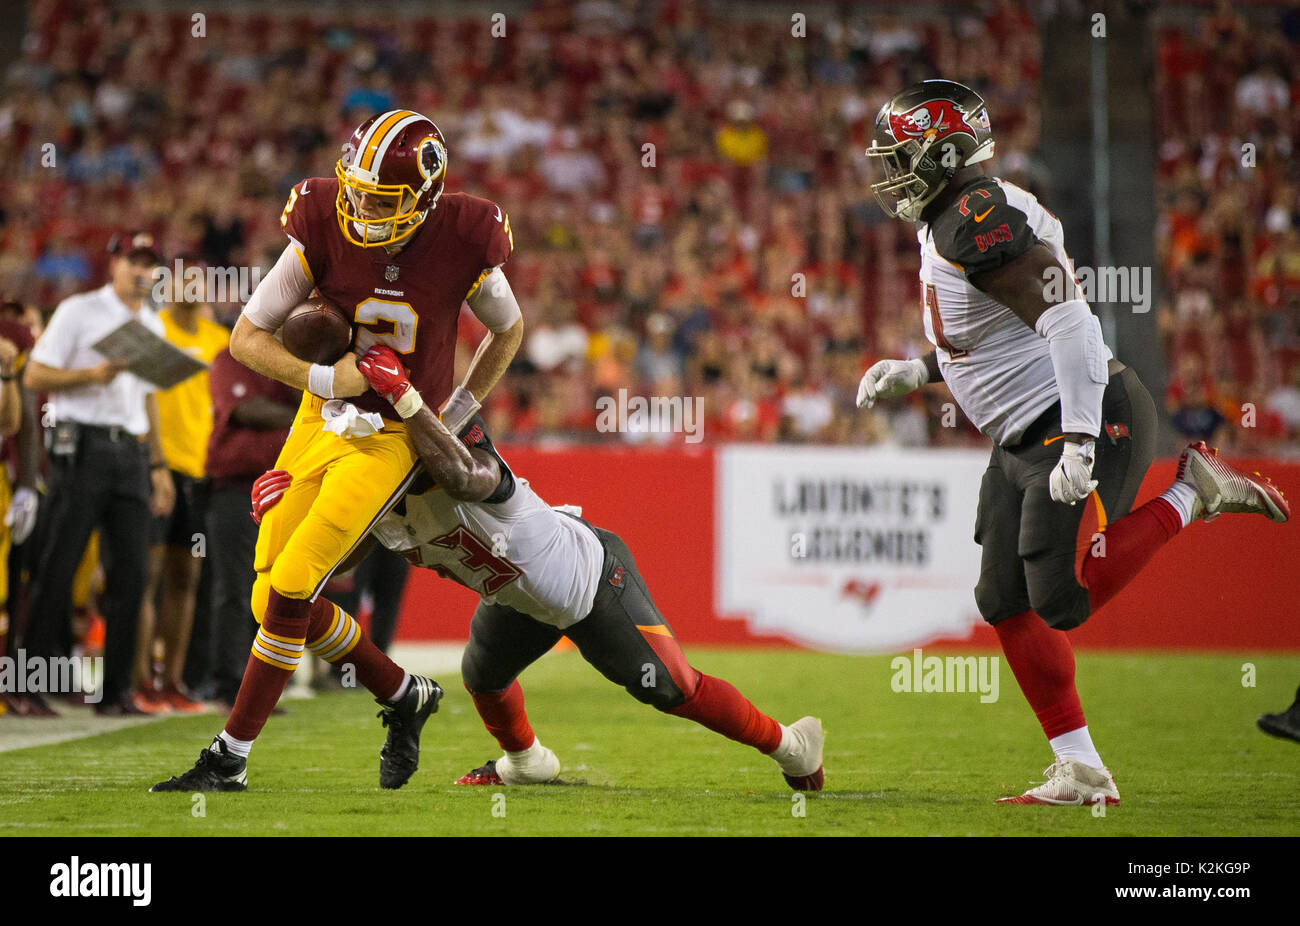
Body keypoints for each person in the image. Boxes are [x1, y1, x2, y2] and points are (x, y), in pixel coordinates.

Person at [857, 79, 1289, 805]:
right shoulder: (954, 218)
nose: (889, 172)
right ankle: (1081, 766)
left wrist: (1082, 440)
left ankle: (1192, 493)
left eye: (901, 155)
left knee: (1062, 597)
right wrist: (920, 370)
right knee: (1004, 598)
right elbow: (993, 335)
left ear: (945, 153)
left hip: (1081, 413)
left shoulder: (975, 215)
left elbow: (1072, 323)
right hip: (1028, 427)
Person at [251, 344, 826, 791]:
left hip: (590, 581)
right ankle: (527, 762)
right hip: (515, 599)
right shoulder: (372, 494)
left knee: (672, 688)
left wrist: (408, 402)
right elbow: (334, 567)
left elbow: (462, 477)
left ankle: (791, 745)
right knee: (483, 676)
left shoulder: (462, 455)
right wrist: (287, 517)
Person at [150, 109, 524, 788]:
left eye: (379, 199)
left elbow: (508, 328)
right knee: (272, 600)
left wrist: (454, 409)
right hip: (318, 420)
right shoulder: (322, 214)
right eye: (353, 189)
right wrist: (327, 378)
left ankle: (229, 759)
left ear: (424, 198)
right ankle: (404, 695)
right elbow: (247, 336)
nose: (358, 207)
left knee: (295, 584)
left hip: (389, 437)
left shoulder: (467, 233)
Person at [21, 231, 176, 715]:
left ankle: (115, 693)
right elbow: (33, 375)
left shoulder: (154, 323)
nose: (141, 271)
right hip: (80, 447)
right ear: (114, 264)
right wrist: (90, 375)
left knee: (131, 575)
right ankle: (30, 684)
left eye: (149, 264)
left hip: (129, 454)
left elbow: (148, 397)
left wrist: (158, 464)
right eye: (133, 260)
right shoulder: (79, 311)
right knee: (58, 567)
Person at [135, 271, 230, 712]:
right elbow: (143, 398)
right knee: (146, 577)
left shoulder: (221, 339)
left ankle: (173, 680)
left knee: (186, 578)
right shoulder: (156, 330)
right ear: (167, 289)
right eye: (181, 280)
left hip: (200, 473)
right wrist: (155, 462)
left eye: (198, 281)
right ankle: (140, 680)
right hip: (158, 467)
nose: (190, 288)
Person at [200, 347, 298, 708]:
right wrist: (305, 414)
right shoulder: (230, 358)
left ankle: (264, 686)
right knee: (235, 588)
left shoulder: (297, 359)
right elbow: (247, 409)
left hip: (286, 495)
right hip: (237, 489)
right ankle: (230, 684)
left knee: (279, 589)